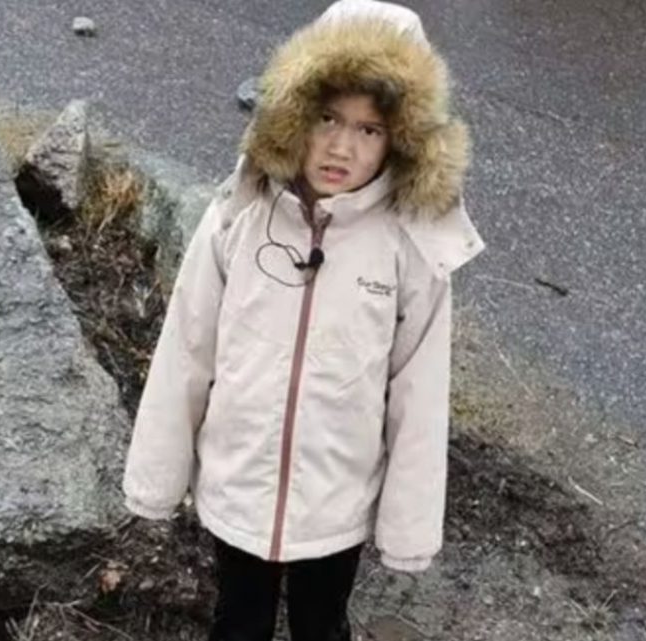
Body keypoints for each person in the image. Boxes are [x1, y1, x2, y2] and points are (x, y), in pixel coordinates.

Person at [121, 1, 486, 639]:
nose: (342, 146)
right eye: (327, 118)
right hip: (238, 480)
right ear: (295, 112)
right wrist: (157, 476)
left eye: (369, 130)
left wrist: (406, 526)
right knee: (239, 621)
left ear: (401, 138)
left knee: (322, 624)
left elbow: (418, 396)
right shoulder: (241, 214)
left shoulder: (410, 248)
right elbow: (189, 345)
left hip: (336, 496)